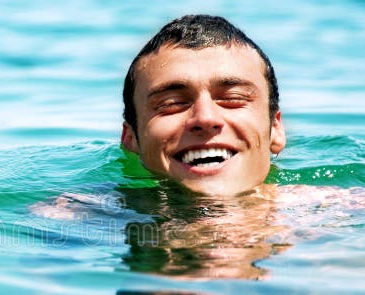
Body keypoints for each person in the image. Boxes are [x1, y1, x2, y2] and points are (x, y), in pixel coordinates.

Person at [120, 14, 285, 196]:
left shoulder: (312, 209)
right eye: (172, 103)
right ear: (130, 137)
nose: (205, 118)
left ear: (275, 129)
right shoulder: (96, 208)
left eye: (233, 98)